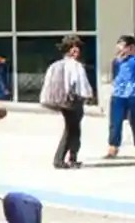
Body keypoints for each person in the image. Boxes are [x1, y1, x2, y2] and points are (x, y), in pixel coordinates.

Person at [43, 35, 94, 169]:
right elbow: (81, 84)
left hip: (62, 102)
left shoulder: (55, 66)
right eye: (74, 48)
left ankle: (71, 157)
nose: (77, 51)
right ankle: (61, 159)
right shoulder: (76, 66)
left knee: (73, 129)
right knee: (72, 130)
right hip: (74, 101)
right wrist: (88, 96)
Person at [107, 36, 135, 161]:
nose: (120, 49)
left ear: (131, 47)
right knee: (115, 122)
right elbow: (114, 75)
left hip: (134, 95)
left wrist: (130, 54)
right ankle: (113, 148)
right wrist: (118, 59)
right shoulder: (117, 61)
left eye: (122, 46)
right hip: (118, 94)